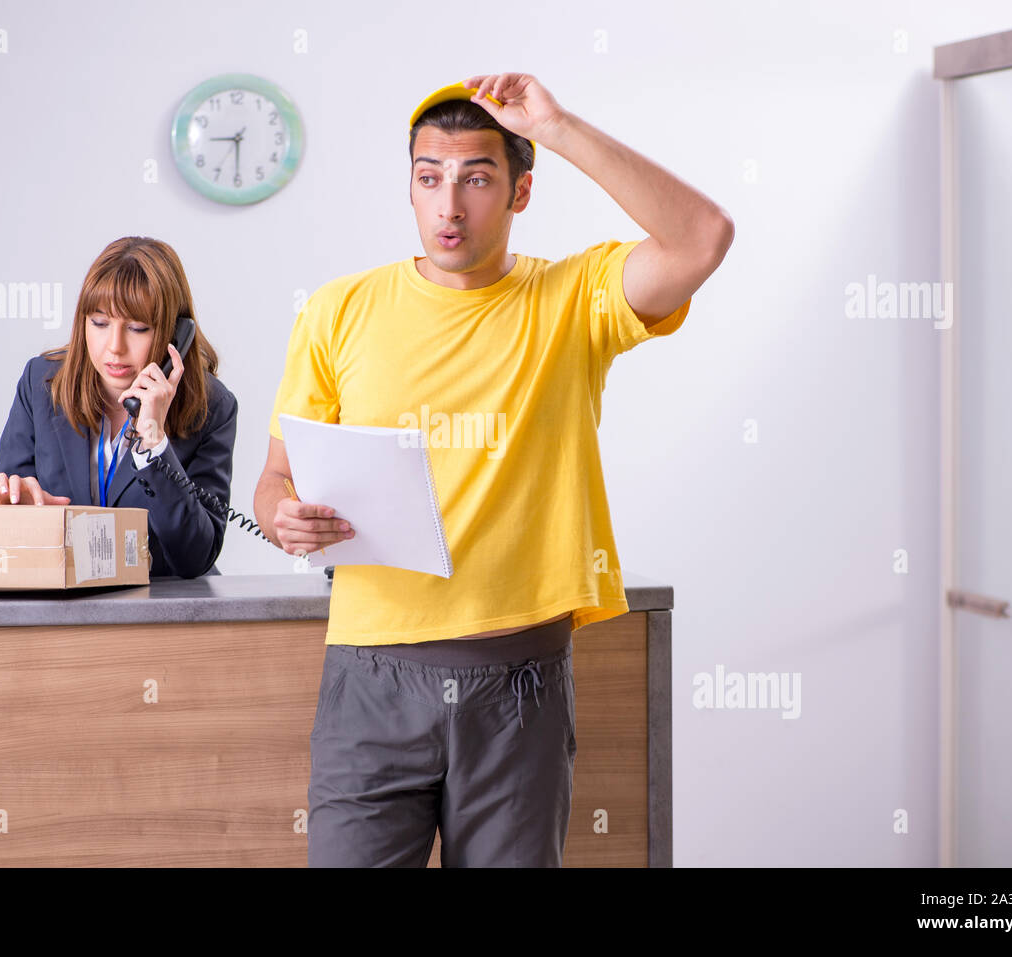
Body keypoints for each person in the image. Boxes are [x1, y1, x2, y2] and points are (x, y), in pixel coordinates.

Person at [255, 73, 734, 866]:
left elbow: (703, 237)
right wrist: (282, 514)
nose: (449, 205)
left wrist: (560, 125)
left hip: (517, 684)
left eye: (477, 178)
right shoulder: (337, 310)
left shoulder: (571, 297)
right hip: (371, 676)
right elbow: (275, 480)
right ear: (409, 187)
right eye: (429, 178)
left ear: (521, 192)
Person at [0, 236, 238, 579]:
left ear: (175, 334)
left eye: (137, 328)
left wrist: (154, 443)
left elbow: (195, 558)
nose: (114, 347)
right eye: (100, 323)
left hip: (161, 610)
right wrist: (16, 511)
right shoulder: (42, 383)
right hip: (64, 604)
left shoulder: (211, 407)